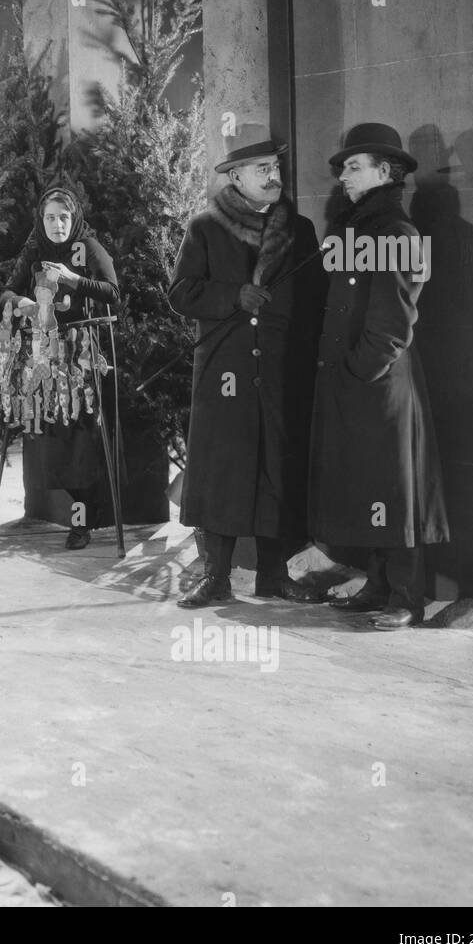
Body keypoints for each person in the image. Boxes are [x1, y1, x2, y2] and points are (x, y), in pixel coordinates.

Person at [167, 126, 327, 608]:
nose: (273, 177)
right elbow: (180, 293)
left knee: (278, 471)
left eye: (276, 169)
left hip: (281, 372)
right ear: (235, 176)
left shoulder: (297, 230)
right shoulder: (206, 228)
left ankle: (274, 576)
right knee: (223, 475)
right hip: (224, 373)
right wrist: (232, 296)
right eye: (263, 170)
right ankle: (216, 576)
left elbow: (316, 298)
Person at [309, 123, 450, 629]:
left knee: (394, 490)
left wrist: (358, 369)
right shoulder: (360, 231)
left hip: (381, 385)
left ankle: (407, 597)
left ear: (385, 172)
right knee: (370, 485)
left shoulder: (396, 233)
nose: (343, 176)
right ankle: (379, 584)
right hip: (358, 384)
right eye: (344, 167)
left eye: (353, 166)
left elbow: (393, 322)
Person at [0, 186, 119, 550]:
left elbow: (113, 292)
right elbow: (6, 292)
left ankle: (82, 524)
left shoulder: (90, 248)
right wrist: (22, 302)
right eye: (50, 218)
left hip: (81, 355)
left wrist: (72, 278)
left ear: (74, 218)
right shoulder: (34, 251)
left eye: (63, 217)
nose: (57, 225)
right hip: (45, 355)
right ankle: (78, 516)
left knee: (81, 441)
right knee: (52, 439)